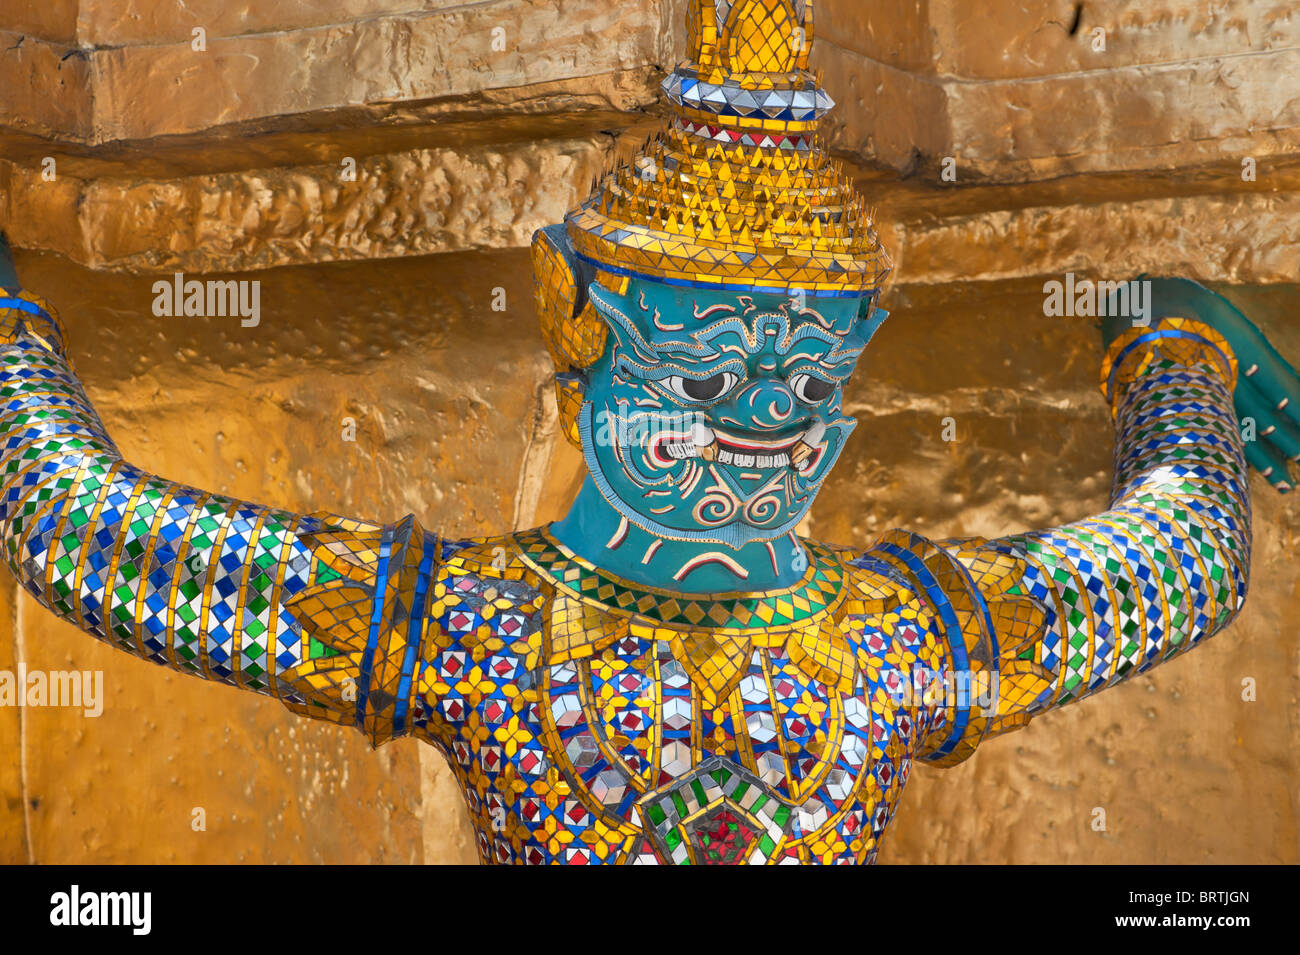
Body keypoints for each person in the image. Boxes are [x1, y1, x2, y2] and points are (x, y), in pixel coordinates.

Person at [1, 0, 1297, 865]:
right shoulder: (895, 652)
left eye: (796, 390)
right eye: (705, 379)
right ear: (585, 359)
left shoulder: (477, 636)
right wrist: (1165, 346)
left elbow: (79, 528)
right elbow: (1183, 556)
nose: (761, 425)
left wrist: (11, 336)